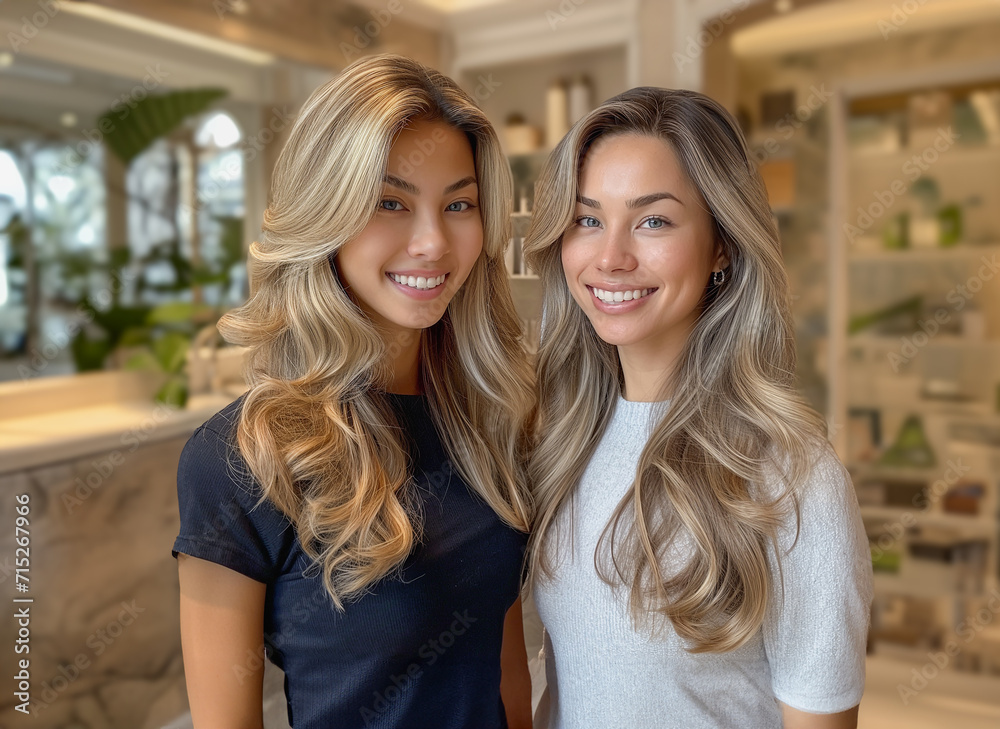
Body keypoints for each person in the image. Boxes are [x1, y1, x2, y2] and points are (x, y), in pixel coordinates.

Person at [172, 54, 534, 729]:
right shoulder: (239, 457)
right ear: (327, 214)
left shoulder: (490, 418)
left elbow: (507, 677)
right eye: (389, 203)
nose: (432, 241)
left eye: (459, 204)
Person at [524, 87, 873, 729]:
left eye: (653, 220)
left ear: (722, 246)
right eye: (588, 219)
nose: (611, 257)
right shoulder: (559, 444)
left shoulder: (792, 477)